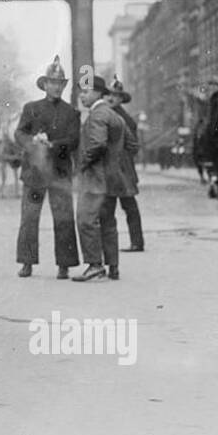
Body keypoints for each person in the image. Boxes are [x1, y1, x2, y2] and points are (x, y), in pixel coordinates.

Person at [14, 57, 82, 279]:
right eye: (52, 82)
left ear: (63, 86)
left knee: (63, 218)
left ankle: (64, 264)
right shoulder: (31, 108)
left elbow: (73, 141)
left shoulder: (71, 113)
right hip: (35, 174)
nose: (55, 86)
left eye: (59, 83)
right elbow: (19, 133)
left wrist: (52, 145)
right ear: (44, 85)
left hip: (60, 173)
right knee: (29, 218)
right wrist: (32, 143)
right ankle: (27, 263)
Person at [73, 75, 129, 283]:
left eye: (85, 91)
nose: (82, 95)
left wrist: (82, 164)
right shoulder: (115, 115)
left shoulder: (97, 115)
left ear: (97, 93)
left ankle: (95, 265)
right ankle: (113, 266)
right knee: (107, 221)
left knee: (86, 220)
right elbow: (130, 144)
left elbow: (98, 144)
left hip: (95, 178)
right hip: (111, 178)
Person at [109, 77, 145, 252]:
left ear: (121, 99)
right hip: (117, 166)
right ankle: (136, 241)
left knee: (128, 204)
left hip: (122, 167)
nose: (112, 98)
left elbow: (133, 146)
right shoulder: (112, 114)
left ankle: (137, 242)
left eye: (116, 96)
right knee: (125, 204)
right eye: (109, 95)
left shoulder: (125, 119)